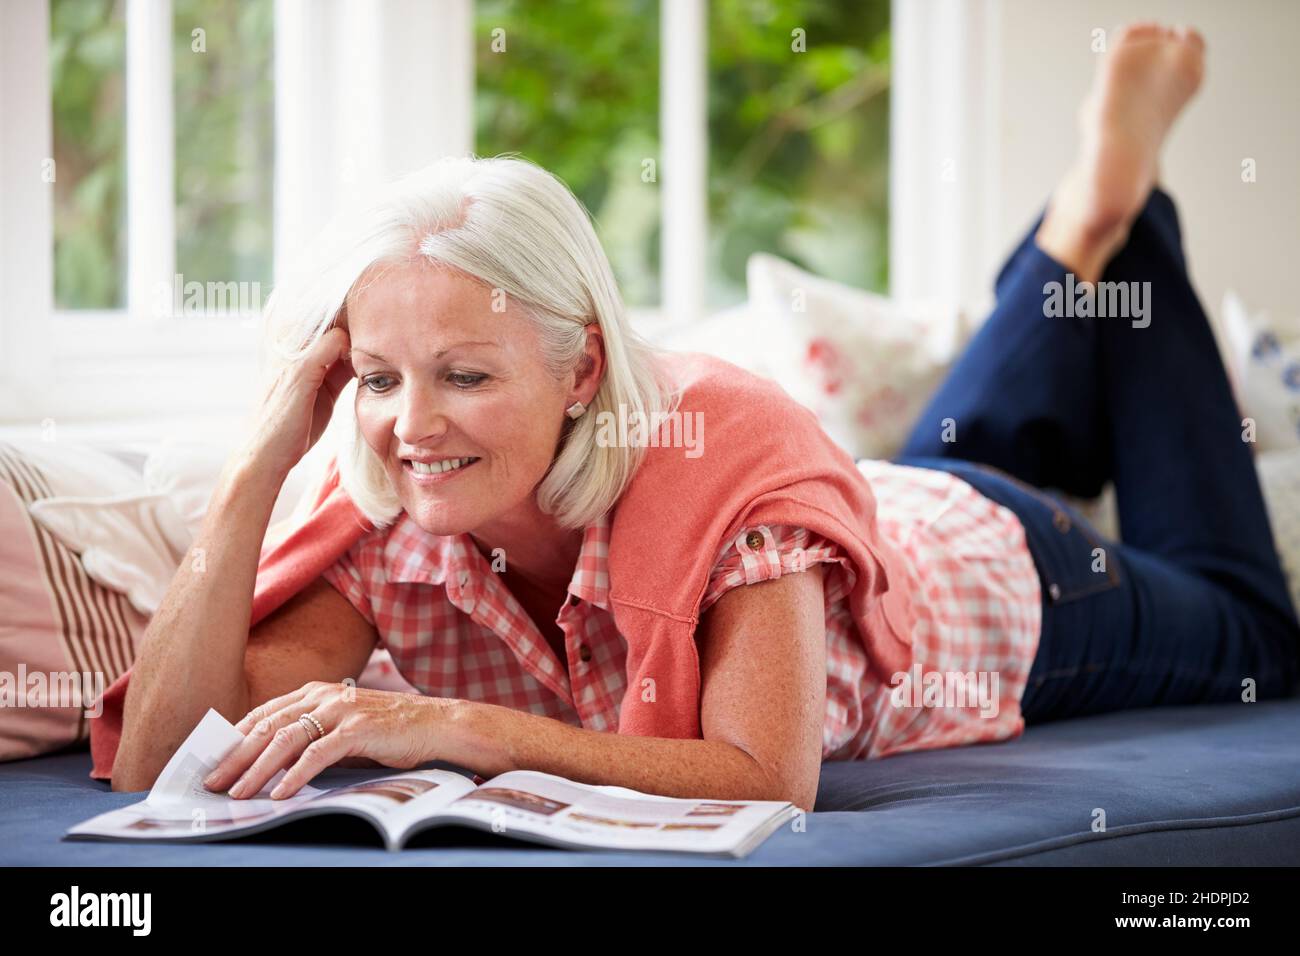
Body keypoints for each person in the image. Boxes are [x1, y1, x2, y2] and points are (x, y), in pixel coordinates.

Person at [106, 22, 1297, 812]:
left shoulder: (718, 464)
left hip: (1010, 576)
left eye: (465, 375)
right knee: (970, 449)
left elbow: (760, 778)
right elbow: (164, 763)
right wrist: (261, 456)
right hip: (886, 494)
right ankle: (1071, 241)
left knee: (1253, 627)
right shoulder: (384, 511)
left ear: (579, 371)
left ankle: (1125, 232)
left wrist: (448, 725)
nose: (413, 421)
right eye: (377, 376)